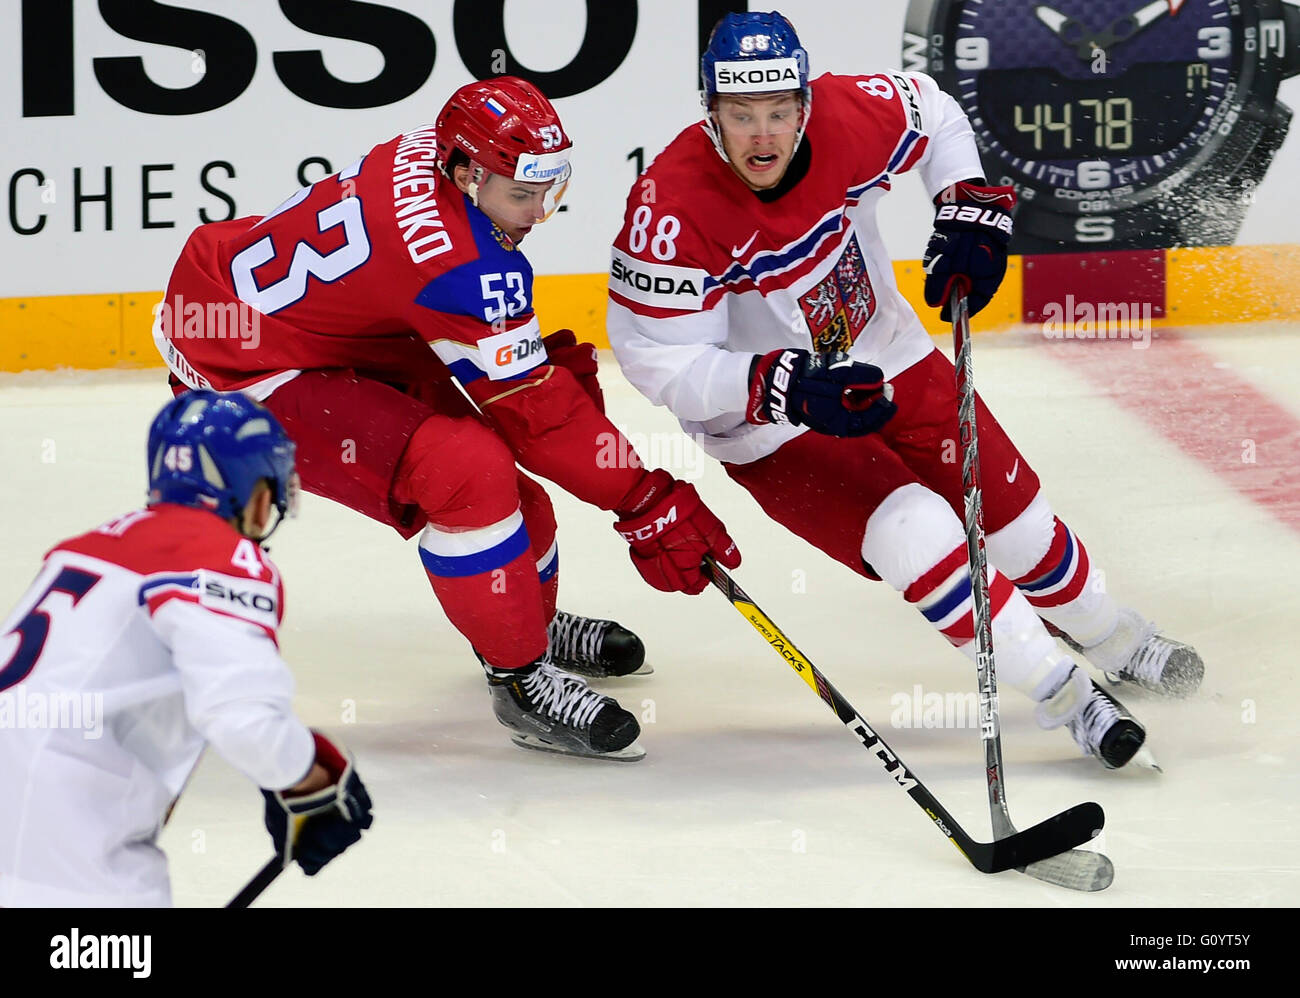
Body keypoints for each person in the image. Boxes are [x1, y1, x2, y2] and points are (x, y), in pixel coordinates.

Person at [605, 11, 1204, 769]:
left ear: (806, 104)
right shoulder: (668, 208)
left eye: (780, 113)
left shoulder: (853, 116)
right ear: (710, 109)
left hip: (888, 353)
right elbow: (654, 358)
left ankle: (1114, 635)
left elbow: (934, 109)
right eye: (741, 115)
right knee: (920, 535)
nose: (762, 137)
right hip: (771, 426)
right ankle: (1066, 695)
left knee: (1019, 525)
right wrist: (778, 384)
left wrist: (969, 208)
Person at [155, 76, 740, 761]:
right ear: (466, 173)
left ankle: (524, 623)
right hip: (241, 369)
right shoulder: (459, 263)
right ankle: (519, 681)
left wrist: (543, 395)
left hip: (295, 323)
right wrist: (647, 500)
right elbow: (541, 424)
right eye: (522, 194)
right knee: (467, 472)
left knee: (503, 482)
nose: (538, 212)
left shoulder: (430, 152)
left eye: (549, 188)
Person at [0, 390, 372, 907]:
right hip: (67, 860)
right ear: (257, 495)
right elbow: (244, 722)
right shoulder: (219, 556)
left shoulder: (81, 550)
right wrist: (307, 775)